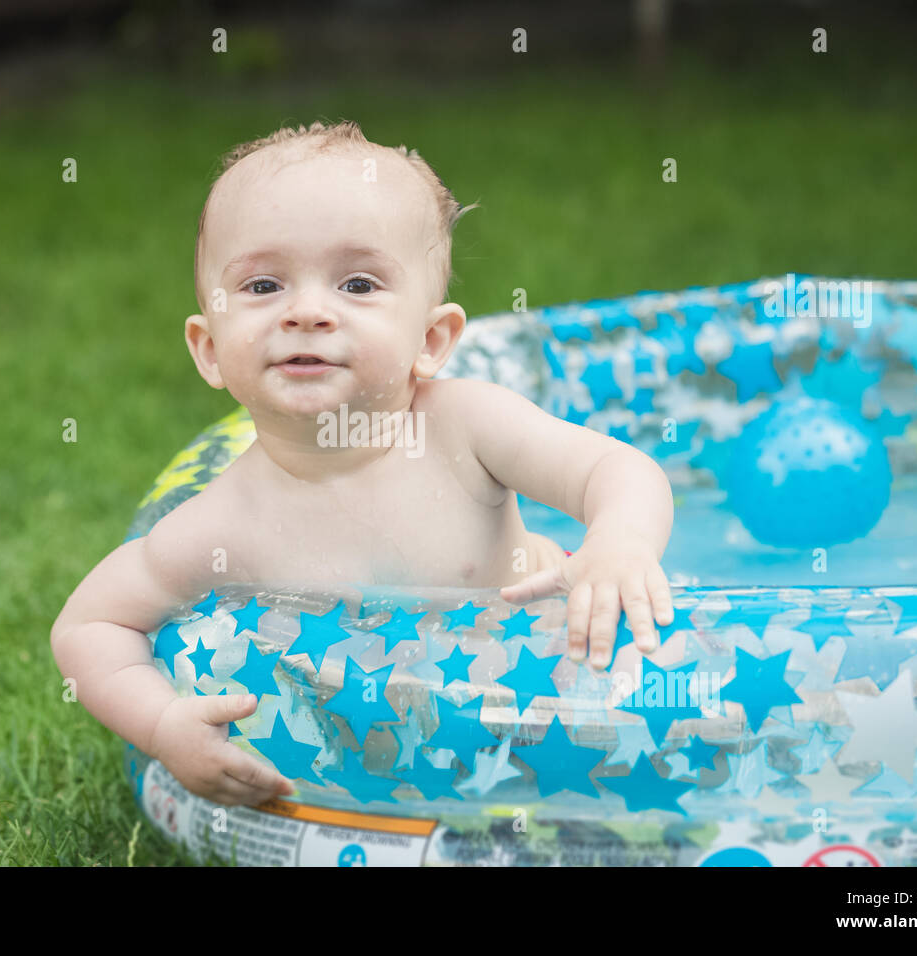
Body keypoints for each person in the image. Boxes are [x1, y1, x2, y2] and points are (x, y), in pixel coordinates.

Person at [51, 120, 674, 806]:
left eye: (357, 283)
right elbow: (89, 626)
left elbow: (617, 471)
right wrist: (164, 724)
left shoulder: (466, 428)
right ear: (208, 349)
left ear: (431, 339)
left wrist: (619, 544)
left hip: (550, 689)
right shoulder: (225, 524)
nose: (308, 312)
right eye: (262, 286)